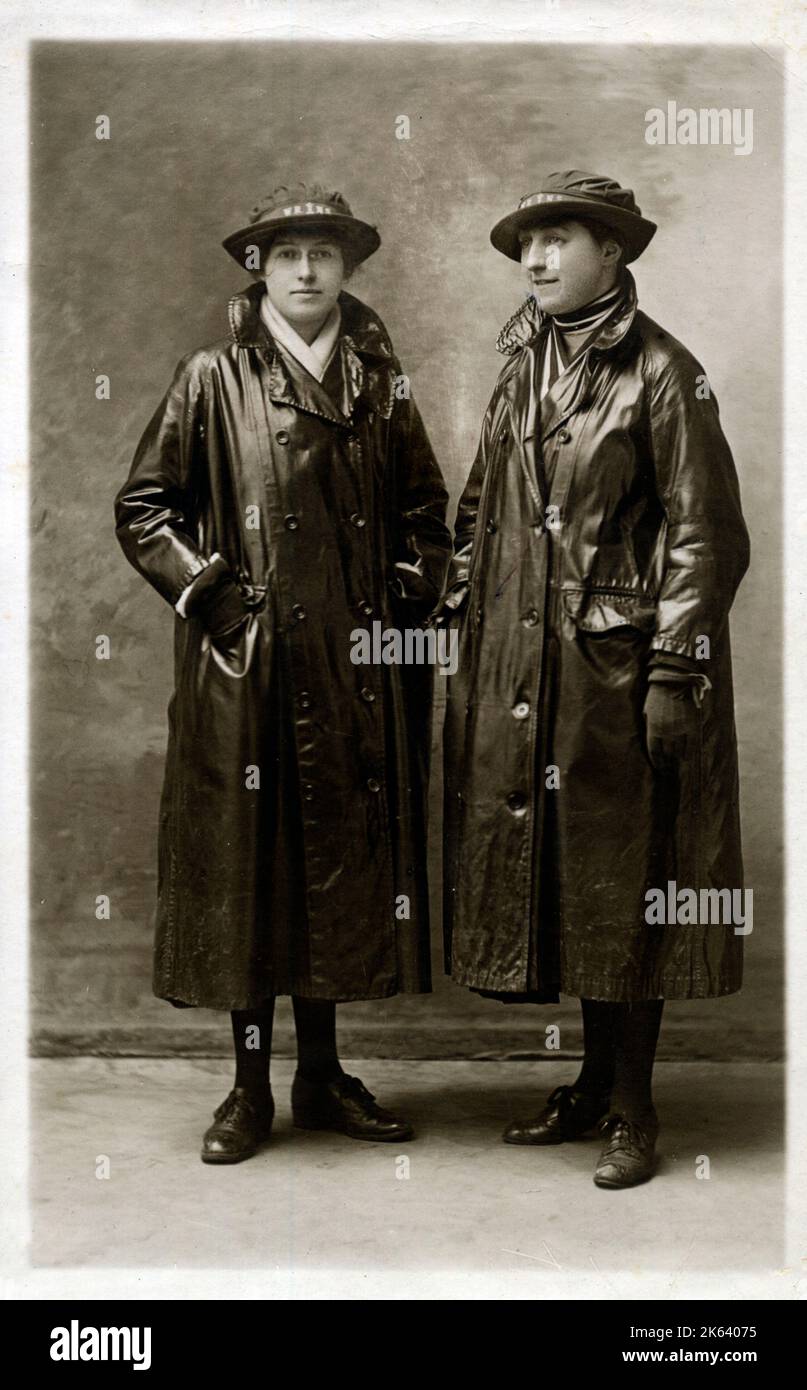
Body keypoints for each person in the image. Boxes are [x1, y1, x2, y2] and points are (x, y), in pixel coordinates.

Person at [115, 182, 450, 1163]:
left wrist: (402, 589)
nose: (306, 269)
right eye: (287, 252)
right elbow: (145, 508)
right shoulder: (210, 377)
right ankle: (249, 1085)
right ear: (259, 267)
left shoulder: (379, 384)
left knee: (337, 872)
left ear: (348, 269)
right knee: (253, 874)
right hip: (250, 674)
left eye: (325, 253)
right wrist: (215, 598)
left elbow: (430, 512)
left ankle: (323, 1073)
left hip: (354, 670)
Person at [439, 170, 750, 1188]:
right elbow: (482, 504)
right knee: (568, 878)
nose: (535, 258)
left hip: (618, 670)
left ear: (613, 252)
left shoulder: (665, 371)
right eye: (527, 241)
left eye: (558, 238)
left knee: (629, 883)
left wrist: (671, 665)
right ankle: (589, 1078)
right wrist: (455, 617)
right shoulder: (521, 367)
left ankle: (635, 1104)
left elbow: (708, 537)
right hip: (526, 663)